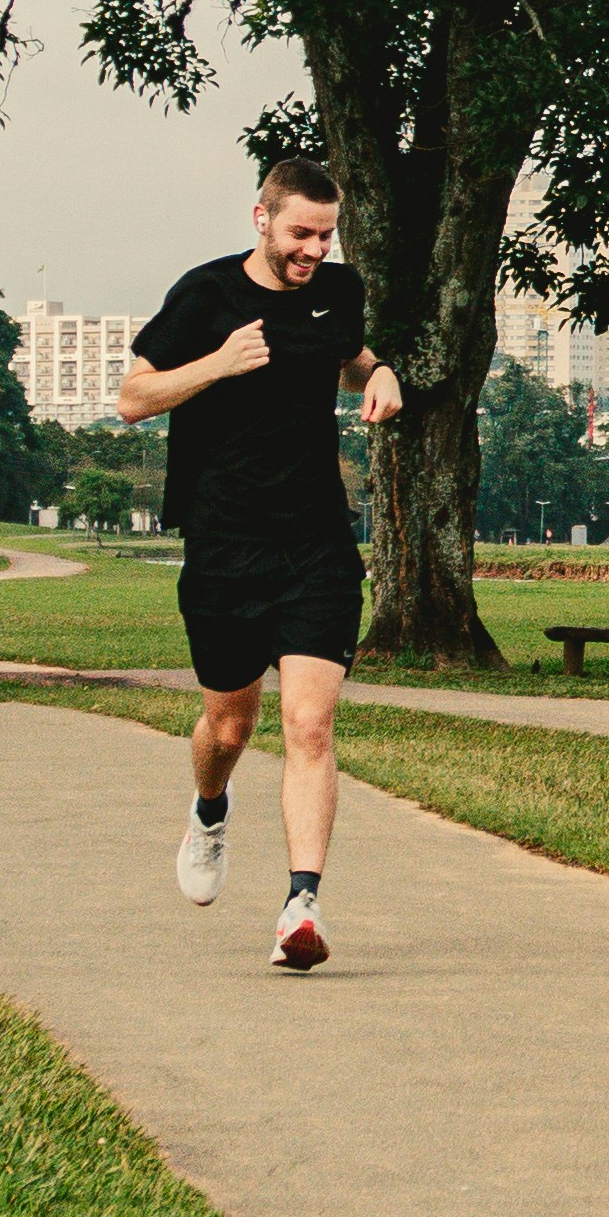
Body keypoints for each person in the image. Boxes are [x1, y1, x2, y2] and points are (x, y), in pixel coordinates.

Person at [118, 157, 403, 970]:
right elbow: (132, 397)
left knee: (309, 724)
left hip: (315, 540)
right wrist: (217, 364)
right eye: (299, 234)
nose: (314, 248)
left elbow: (346, 353)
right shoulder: (206, 295)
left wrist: (377, 372)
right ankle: (210, 808)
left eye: (325, 233)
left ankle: (300, 906)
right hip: (223, 541)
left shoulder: (337, 288)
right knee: (230, 724)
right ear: (261, 219)